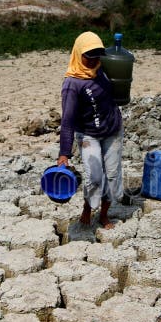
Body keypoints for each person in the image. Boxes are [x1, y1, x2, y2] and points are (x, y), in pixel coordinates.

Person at [57, 31, 123, 229]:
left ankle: (104, 215)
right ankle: (88, 206)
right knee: (94, 176)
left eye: (97, 54)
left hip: (112, 131)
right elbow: (67, 120)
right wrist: (64, 154)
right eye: (88, 55)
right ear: (78, 54)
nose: (93, 59)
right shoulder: (72, 84)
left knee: (112, 177)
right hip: (88, 135)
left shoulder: (102, 69)